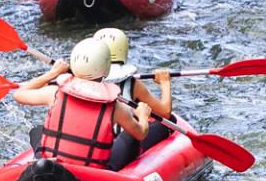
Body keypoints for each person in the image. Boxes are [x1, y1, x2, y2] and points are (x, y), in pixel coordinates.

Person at [13, 32, 172, 172]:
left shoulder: (55, 92)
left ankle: (41, 163)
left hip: (55, 162)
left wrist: (52, 73)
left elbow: (19, 94)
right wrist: (143, 116)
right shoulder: (115, 106)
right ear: (105, 67)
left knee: (37, 131)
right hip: (94, 171)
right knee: (130, 137)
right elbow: (141, 133)